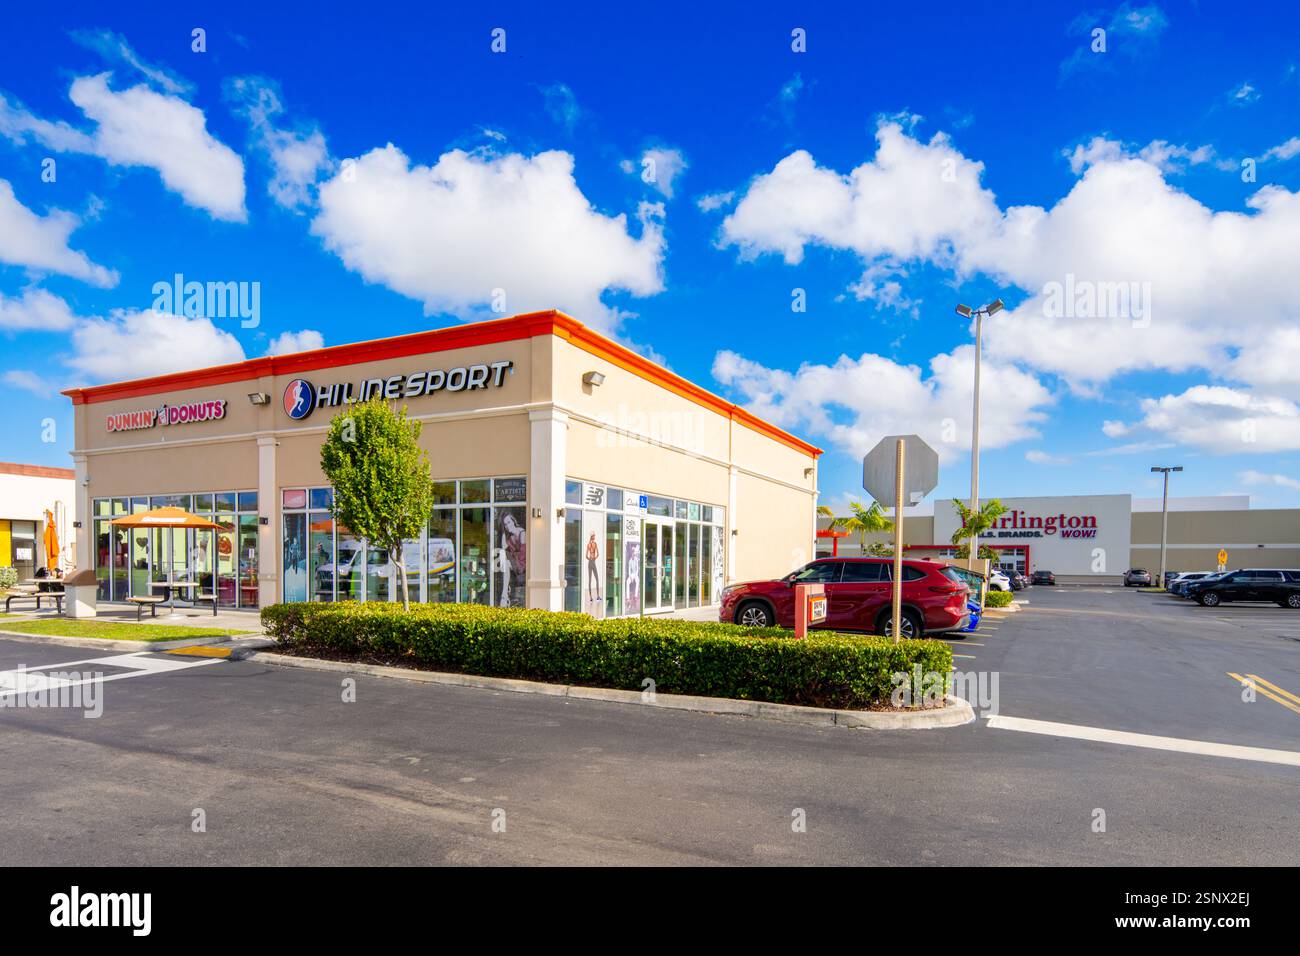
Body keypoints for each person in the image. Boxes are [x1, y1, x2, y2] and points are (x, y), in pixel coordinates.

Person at [586, 532, 600, 602]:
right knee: (597, 578)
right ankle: (597, 596)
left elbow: (586, 556)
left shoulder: (588, 545)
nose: (594, 537)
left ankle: (591, 597)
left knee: (590, 579)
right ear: (592, 537)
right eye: (594, 536)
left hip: (590, 562)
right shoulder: (594, 544)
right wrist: (594, 558)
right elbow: (598, 554)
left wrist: (590, 559)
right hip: (593, 562)